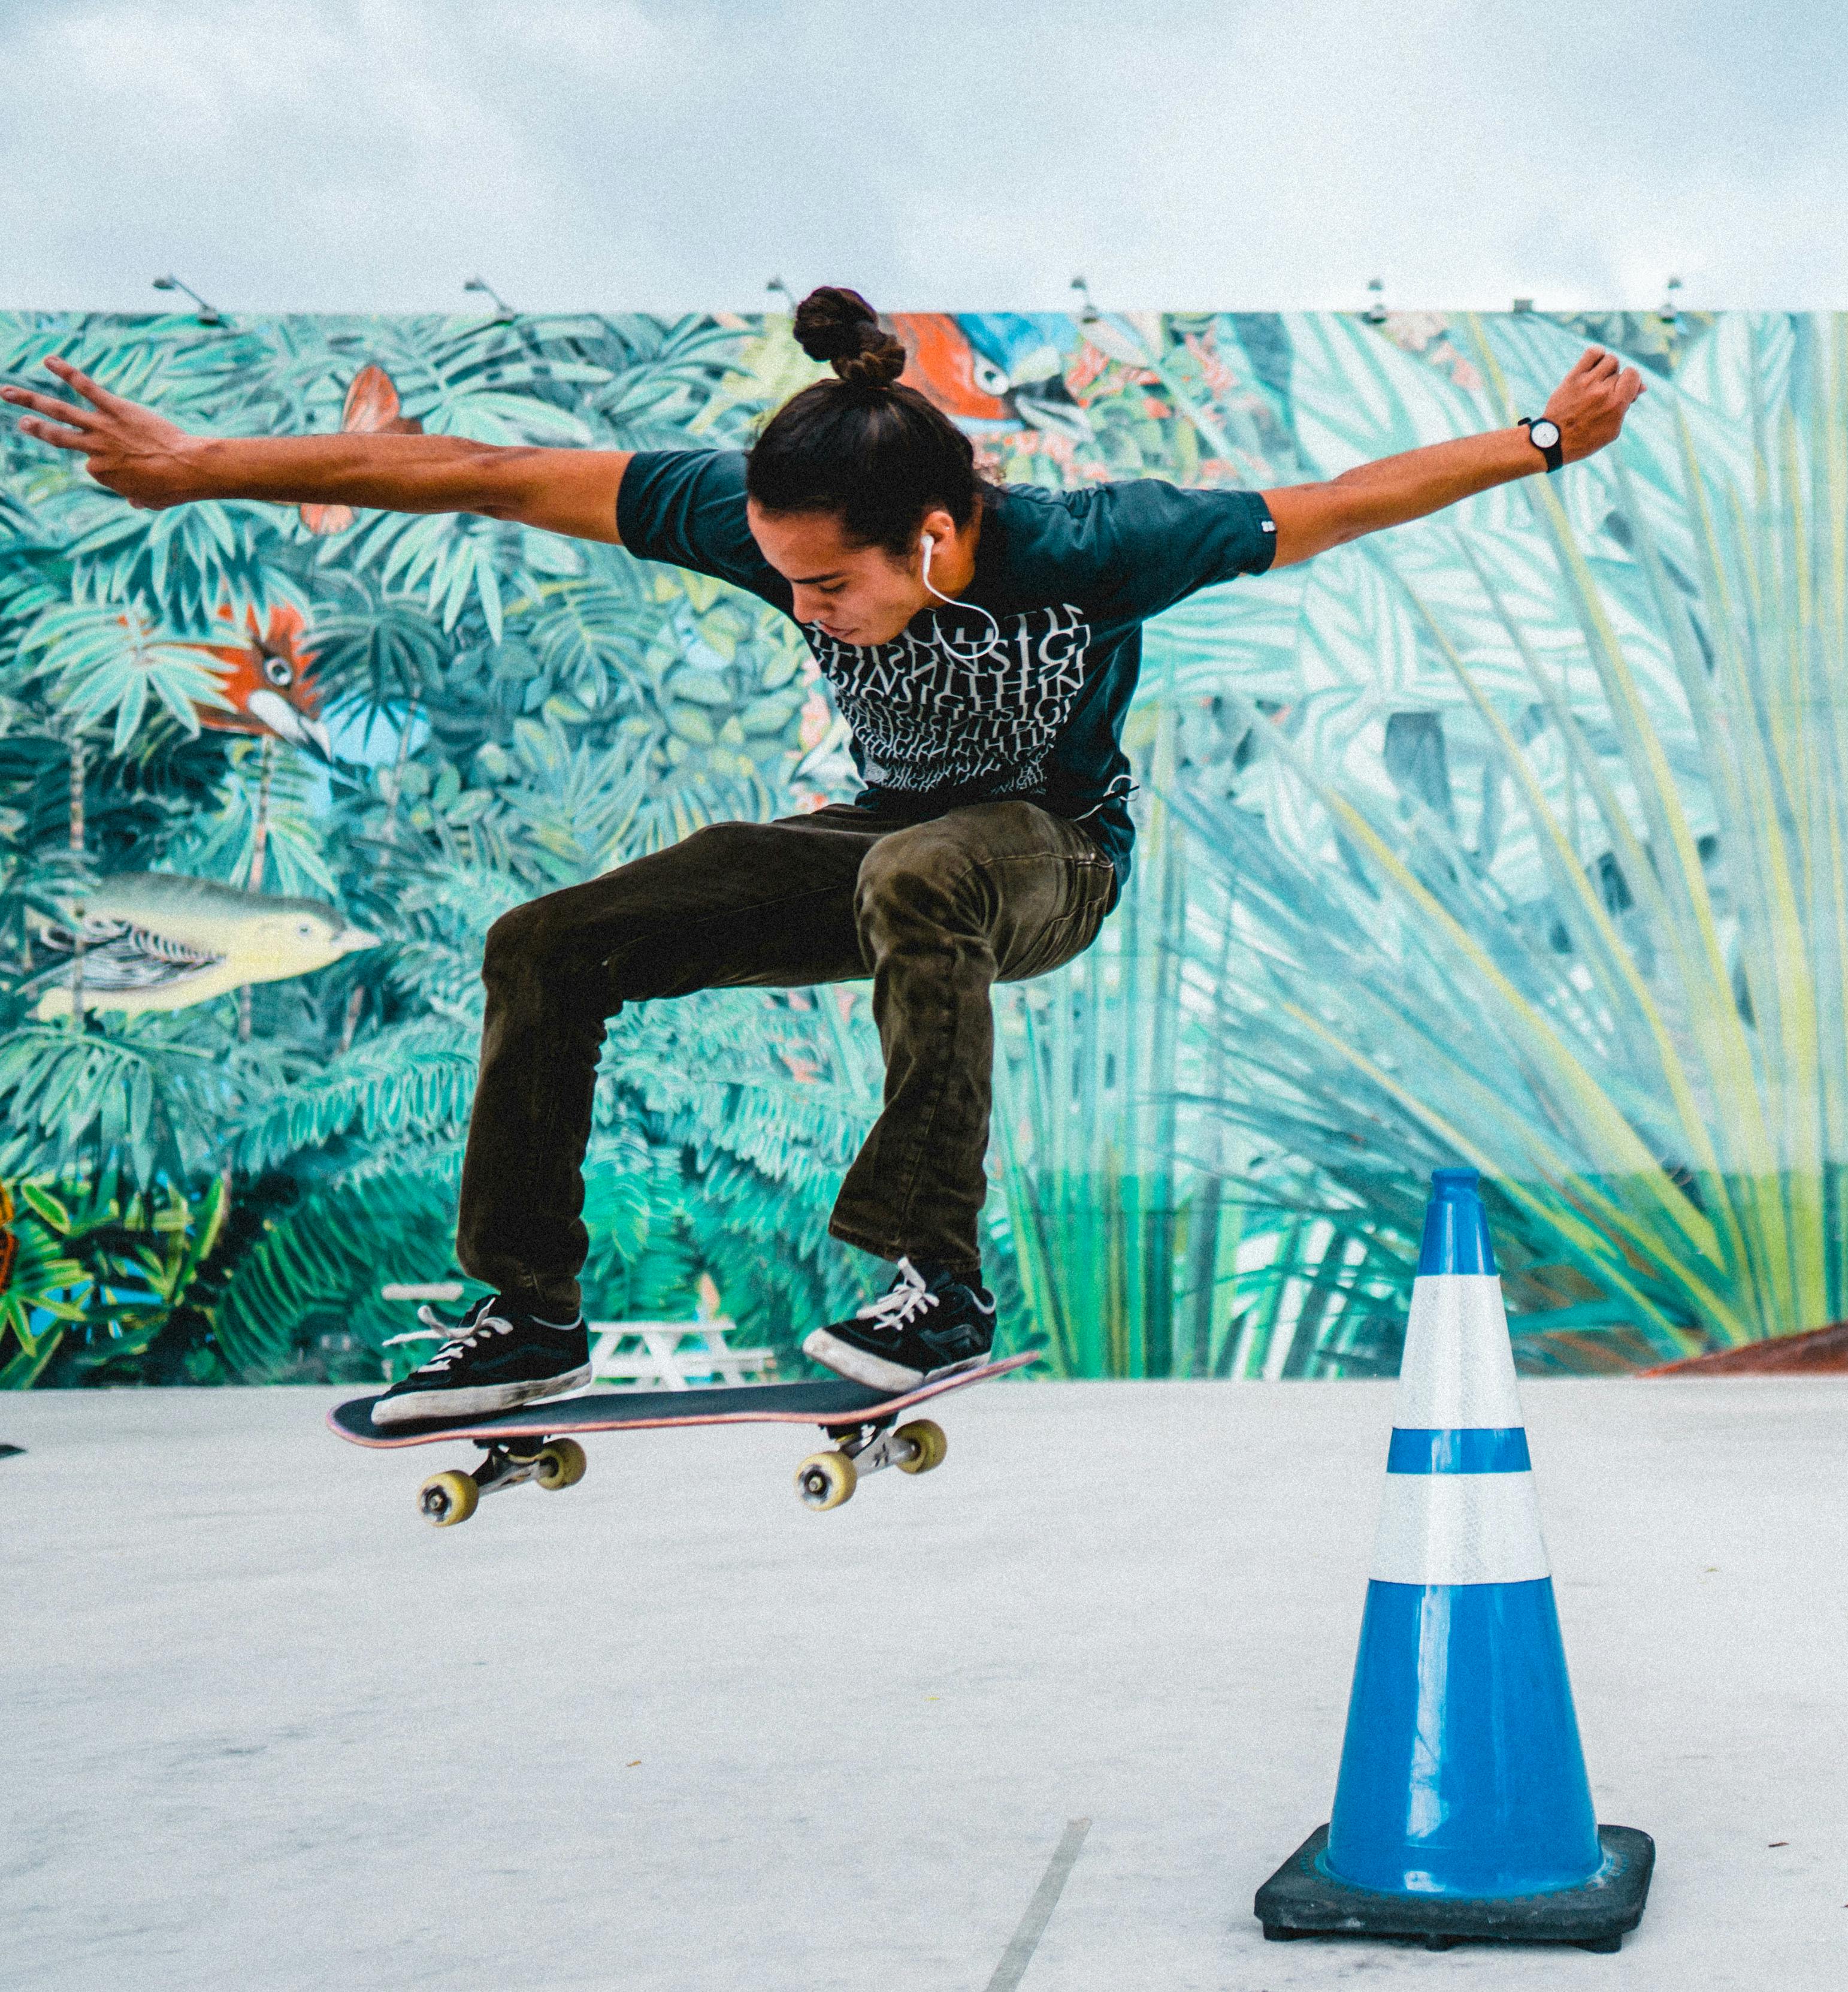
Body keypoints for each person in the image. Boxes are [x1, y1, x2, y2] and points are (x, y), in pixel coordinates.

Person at [8, 288, 1644, 1420]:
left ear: (936, 536)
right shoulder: (760, 513)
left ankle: (937, 1279)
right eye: (783, 580)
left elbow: (1343, 499)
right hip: (876, 841)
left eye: (833, 590)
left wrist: (1545, 439)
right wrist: (202, 467)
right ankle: (531, 1314)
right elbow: (486, 476)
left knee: (921, 873)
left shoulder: (1098, 547)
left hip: (1047, 859)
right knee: (547, 943)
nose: (805, 612)